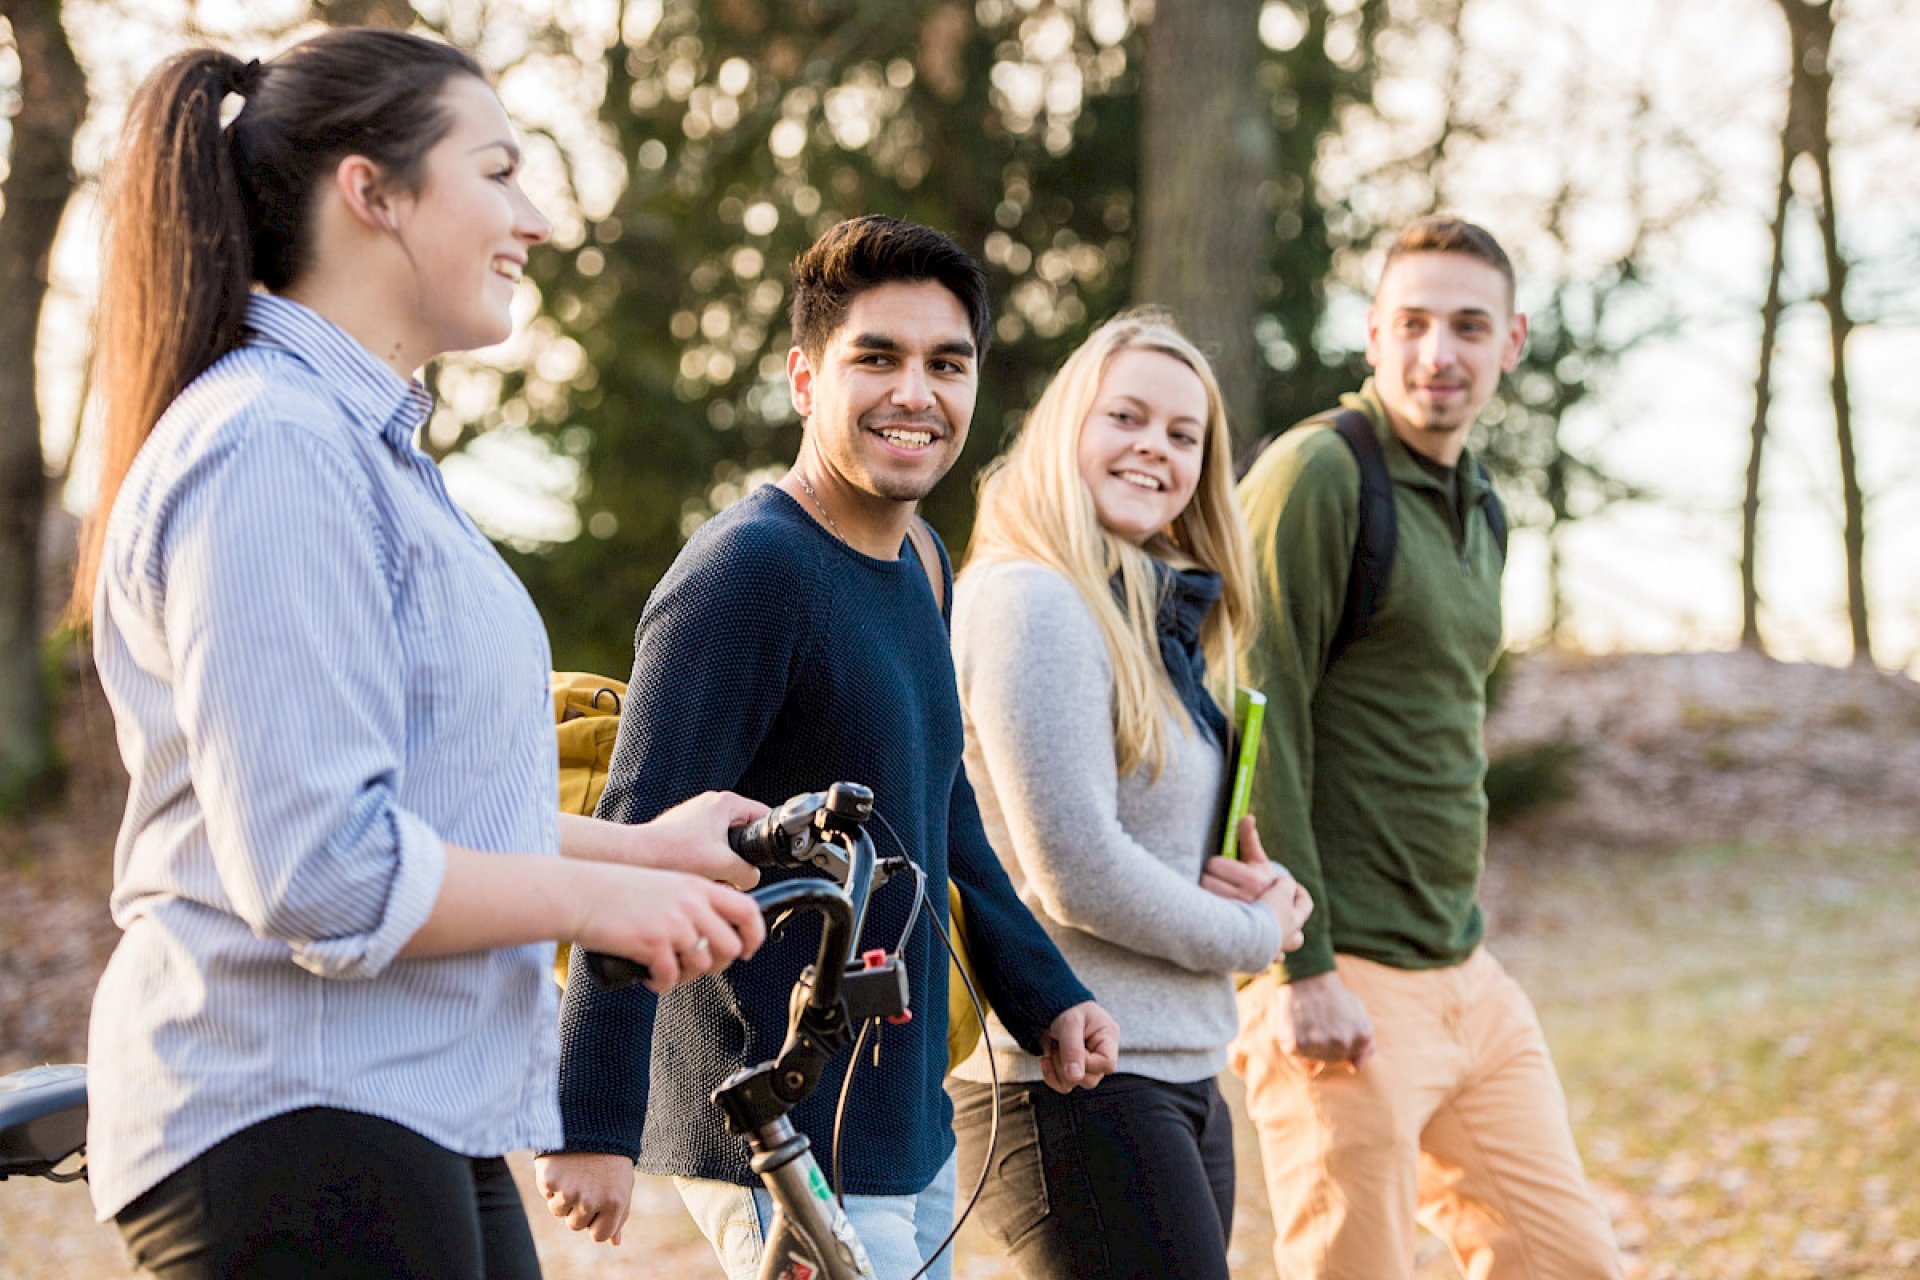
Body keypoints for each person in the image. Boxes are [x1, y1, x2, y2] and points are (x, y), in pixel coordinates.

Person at [78, 30, 768, 1279]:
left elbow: (418, 810)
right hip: (287, 1105)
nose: (536, 219)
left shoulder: (365, 452)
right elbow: (322, 869)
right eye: (497, 171)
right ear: (374, 192)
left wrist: (643, 850)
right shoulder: (270, 447)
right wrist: (600, 903)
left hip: (399, 1101)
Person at [535, 215, 1121, 1280]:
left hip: (904, 1115)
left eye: (947, 364)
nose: (916, 393)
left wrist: (1044, 992)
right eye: (877, 358)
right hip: (773, 1119)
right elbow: (635, 835)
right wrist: (593, 1117)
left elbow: (939, 805)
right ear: (805, 380)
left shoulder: (923, 560)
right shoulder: (747, 574)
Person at [1230, 216, 1623, 1278]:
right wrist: (1300, 966)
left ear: (1512, 341)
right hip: (1342, 972)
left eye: (1467, 326)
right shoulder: (1317, 474)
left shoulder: (1482, 504)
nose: (1437, 353)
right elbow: (1256, 717)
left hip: (1463, 971)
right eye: (1411, 323)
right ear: (1372, 332)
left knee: (1569, 1262)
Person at [947, 309, 1314, 1279]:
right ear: (1066, 426)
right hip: (1073, 1081)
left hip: (1176, 1066)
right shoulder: (1033, 598)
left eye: (1184, 434)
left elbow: (1149, 846)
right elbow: (1076, 868)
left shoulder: (1141, 618)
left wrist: (1255, 887)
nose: (1156, 446)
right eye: (1127, 417)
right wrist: (1252, 934)